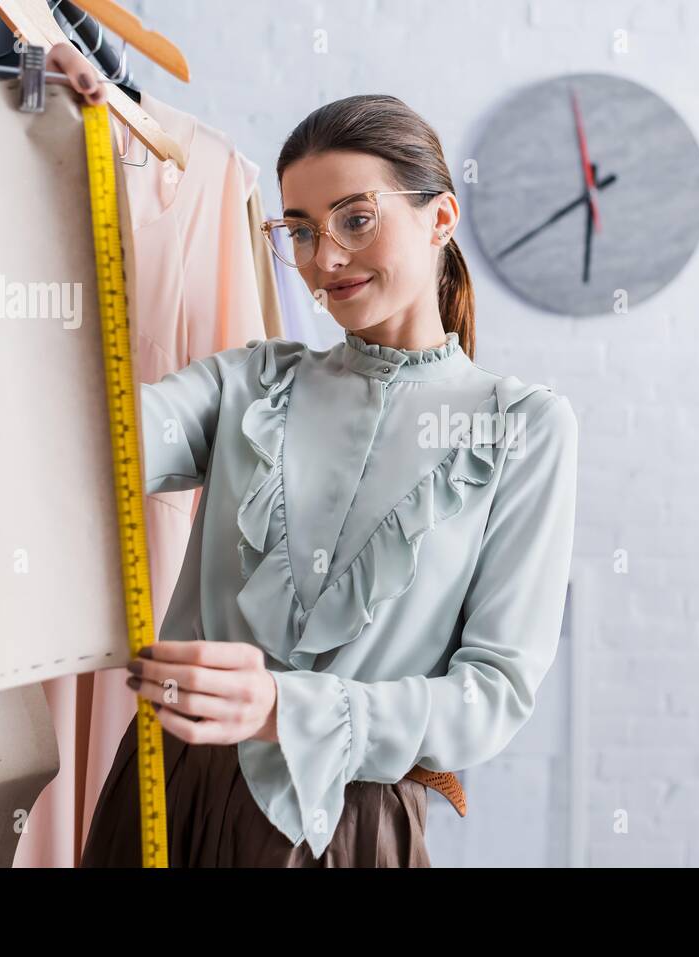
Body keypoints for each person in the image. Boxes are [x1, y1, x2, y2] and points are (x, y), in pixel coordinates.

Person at [78, 91, 579, 867]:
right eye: (301, 231)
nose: (325, 259)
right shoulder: (250, 382)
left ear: (441, 217)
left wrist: (284, 705)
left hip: (347, 827)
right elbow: (94, 440)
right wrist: (60, 131)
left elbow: (492, 695)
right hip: (162, 795)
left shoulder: (523, 427)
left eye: (355, 218)